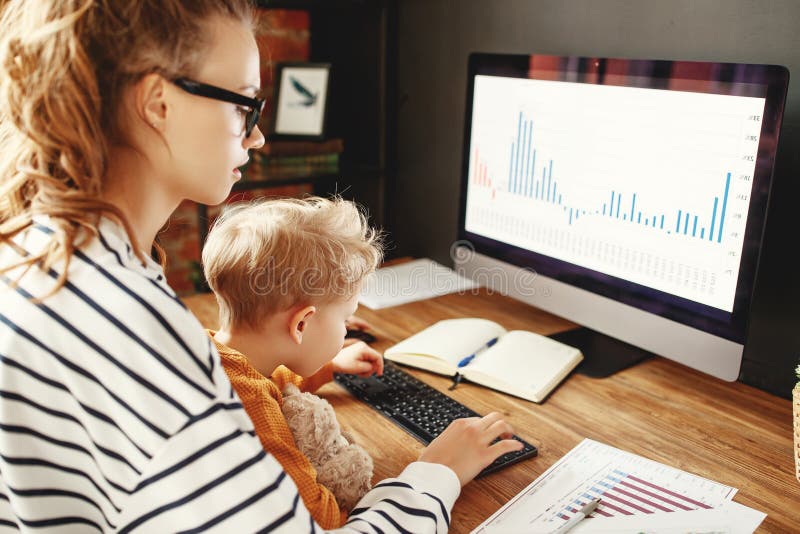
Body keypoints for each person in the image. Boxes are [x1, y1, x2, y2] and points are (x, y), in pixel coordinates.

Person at [0, 0, 523, 531]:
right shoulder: (130, 336)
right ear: (158, 103)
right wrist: (435, 474)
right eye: (243, 105)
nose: (256, 136)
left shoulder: (37, 261)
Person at [201, 196, 386, 528]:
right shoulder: (255, 409)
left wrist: (329, 365)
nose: (345, 329)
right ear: (301, 324)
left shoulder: (214, 353)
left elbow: (269, 379)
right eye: (345, 318)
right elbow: (318, 517)